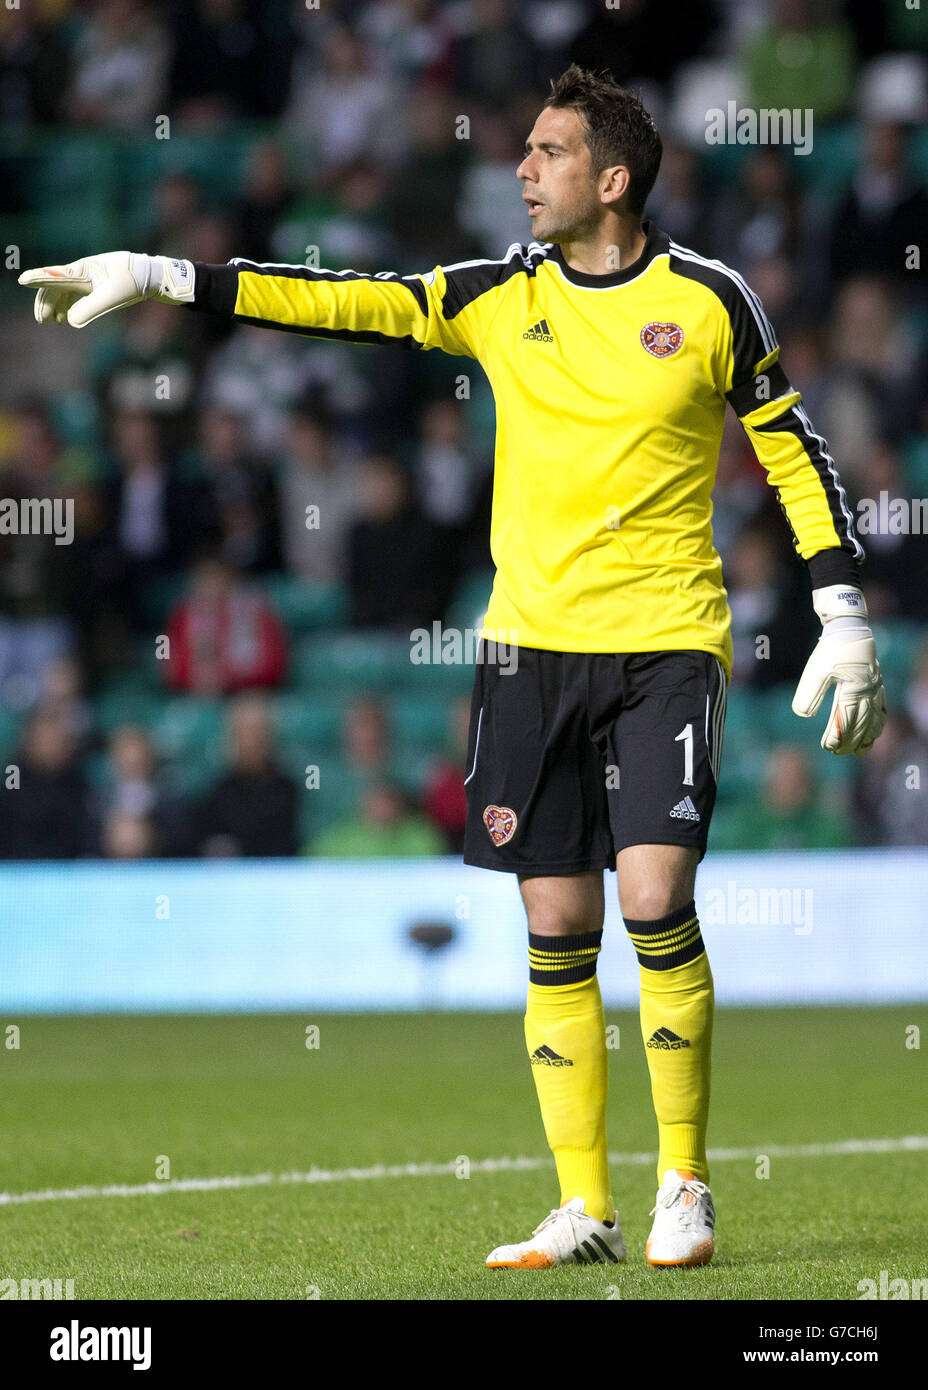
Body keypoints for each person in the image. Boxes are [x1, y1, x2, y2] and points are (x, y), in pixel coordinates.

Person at [19, 63, 887, 1273]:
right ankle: (582, 1205)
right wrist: (165, 273)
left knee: (652, 902)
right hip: (526, 650)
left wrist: (840, 608)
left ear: (614, 177)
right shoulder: (493, 293)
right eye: (521, 151)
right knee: (556, 919)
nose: (520, 169)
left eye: (547, 151)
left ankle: (681, 1181)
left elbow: (791, 450)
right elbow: (339, 302)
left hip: (664, 647)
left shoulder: (708, 301)